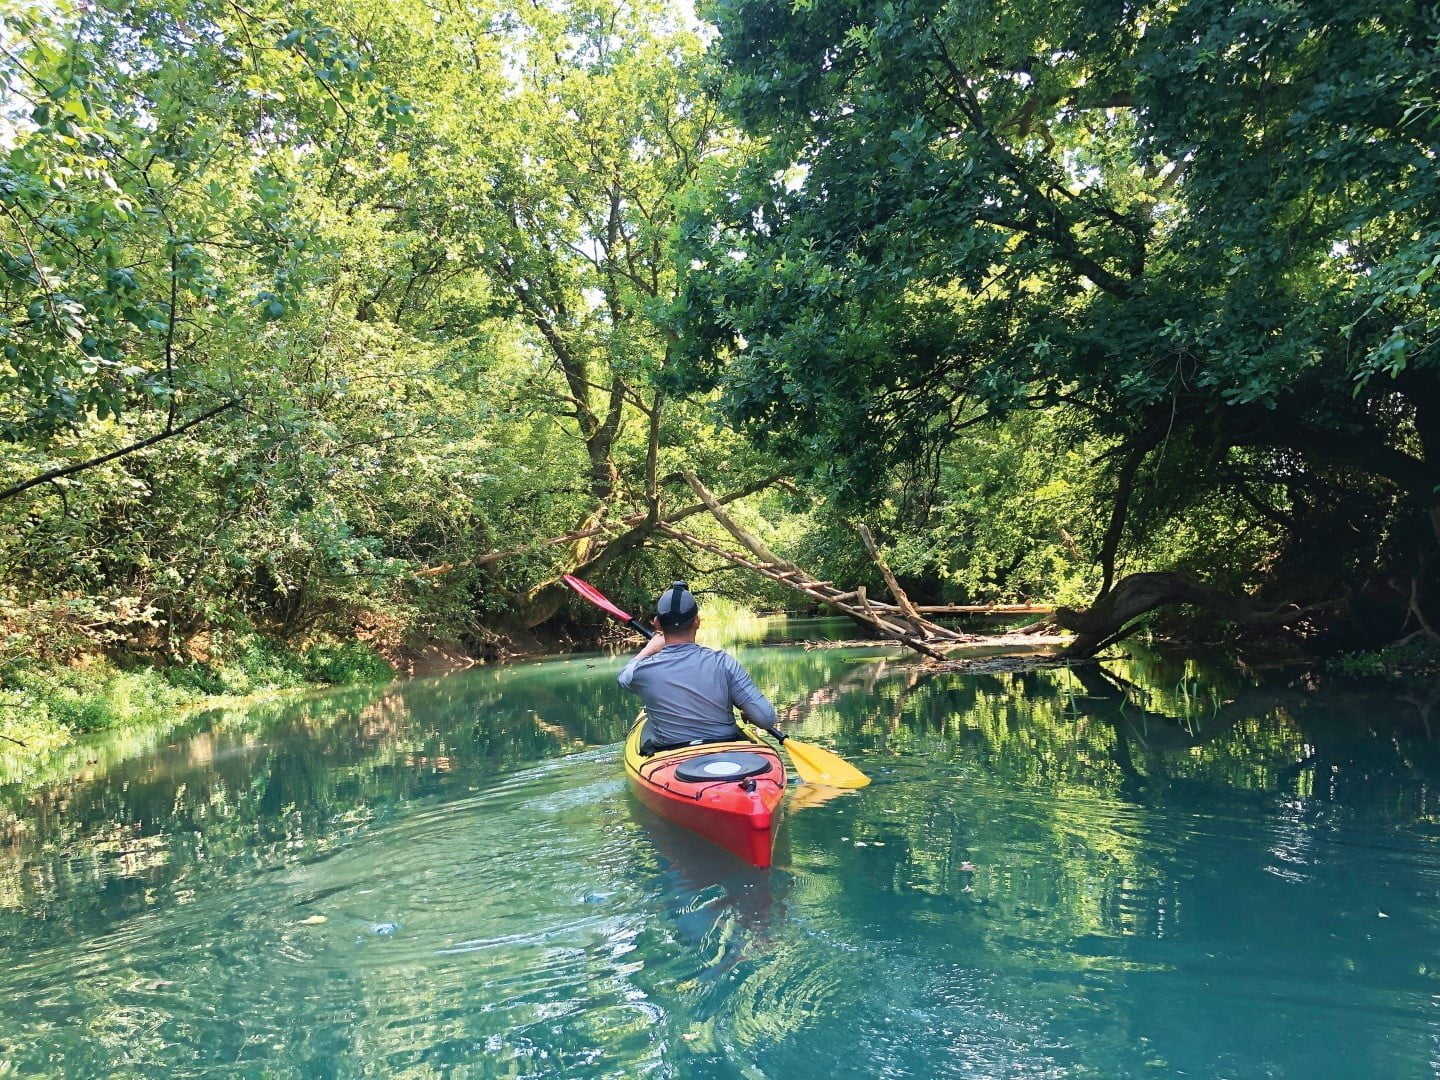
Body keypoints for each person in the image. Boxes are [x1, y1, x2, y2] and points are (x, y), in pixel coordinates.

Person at [618, 581, 785, 754]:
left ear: (657, 624)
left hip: (670, 756)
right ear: (697, 622)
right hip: (727, 750)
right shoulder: (724, 663)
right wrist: (748, 712)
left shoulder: (643, 671)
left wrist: (650, 649)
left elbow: (623, 677)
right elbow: (765, 718)